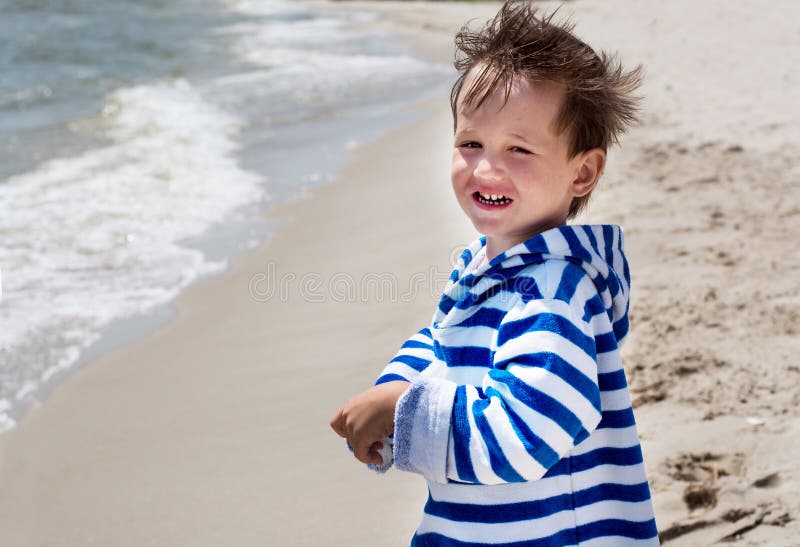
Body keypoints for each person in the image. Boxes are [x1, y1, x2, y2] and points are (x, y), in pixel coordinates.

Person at [330, 1, 659, 544]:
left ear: (583, 172)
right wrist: (395, 384)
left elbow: (526, 434)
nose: (487, 167)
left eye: (519, 148)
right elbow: (443, 343)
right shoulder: (486, 266)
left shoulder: (555, 293)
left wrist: (398, 409)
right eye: (471, 143)